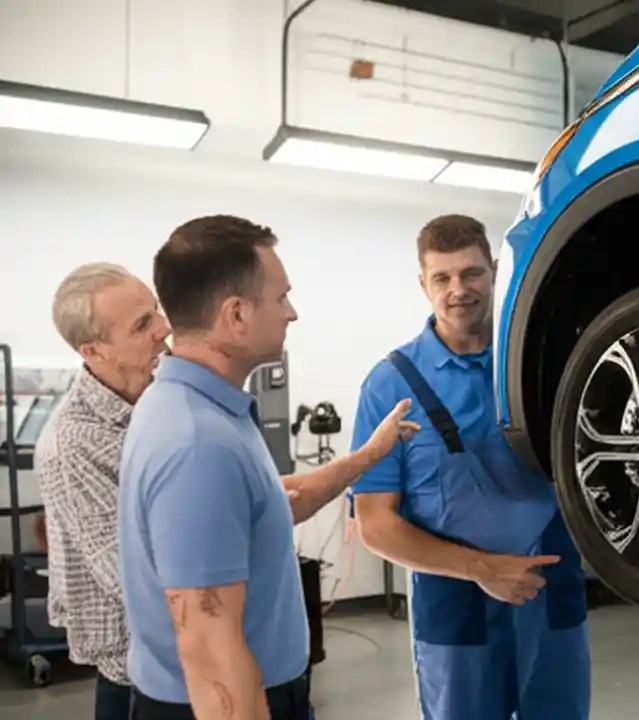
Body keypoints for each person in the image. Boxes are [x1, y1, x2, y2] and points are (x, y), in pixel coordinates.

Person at [117, 215, 420, 720]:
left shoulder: (196, 410)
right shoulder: (198, 443)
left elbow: (275, 505)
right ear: (236, 315)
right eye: (280, 298)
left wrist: (369, 455)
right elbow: (212, 655)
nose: (292, 313)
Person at [349, 214, 590, 720]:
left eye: (471, 273)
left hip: (547, 582)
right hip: (453, 599)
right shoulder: (390, 386)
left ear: (496, 272)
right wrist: (482, 569)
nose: (458, 289)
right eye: (442, 278)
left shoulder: (540, 361)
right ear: (423, 285)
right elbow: (374, 524)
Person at [34, 262, 171, 720]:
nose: (164, 329)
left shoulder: (160, 399)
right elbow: (129, 575)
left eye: (156, 311)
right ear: (93, 351)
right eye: (142, 324)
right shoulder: (72, 445)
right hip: (138, 674)